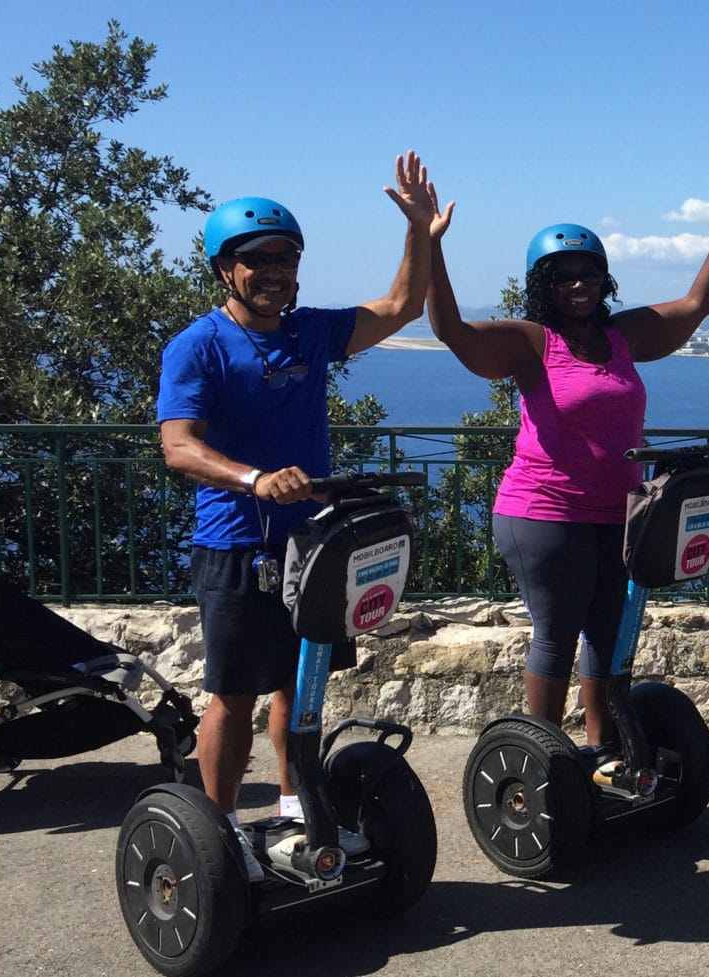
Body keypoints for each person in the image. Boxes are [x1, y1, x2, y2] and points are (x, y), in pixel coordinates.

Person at [156, 152, 440, 877]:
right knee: (233, 693)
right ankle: (215, 838)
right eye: (259, 259)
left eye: (287, 257)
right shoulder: (198, 345)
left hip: (311, 541)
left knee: (301, 681)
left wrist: (418, 231)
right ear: (225, 268)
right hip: (235, 543)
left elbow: (402, 306)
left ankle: (293, 811)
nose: (277, 270)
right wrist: (252, 477)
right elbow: (178, 445)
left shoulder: (309, 332)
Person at [425, 175, 709, 759]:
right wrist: (430, 243)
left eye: (590, 273)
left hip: (618, 515)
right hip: (545, 512)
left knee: (610, 633)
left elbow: (696, 306)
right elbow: (454, 333)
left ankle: (602, 754)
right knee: (557, 633)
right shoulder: (533, 341)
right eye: (563, 275)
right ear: (542, 284)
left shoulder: (622, 336)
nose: (579, 285)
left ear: (605, 277)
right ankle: (538, 760)